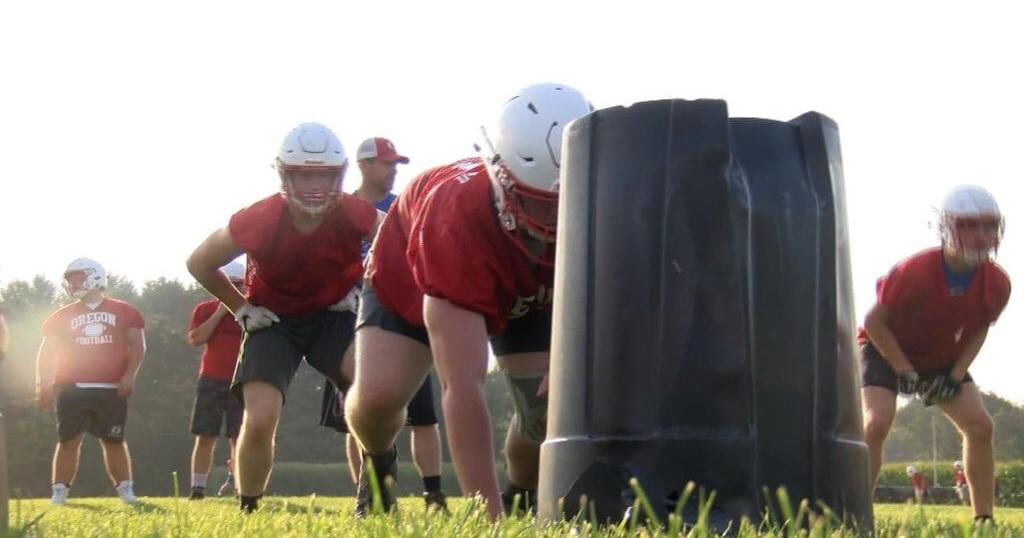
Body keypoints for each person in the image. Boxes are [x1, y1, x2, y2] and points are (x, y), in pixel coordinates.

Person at [344, 83, 592, 519]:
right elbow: (461, 386)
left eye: (565, 203)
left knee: (542, 413)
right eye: (538, 204)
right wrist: (485, 515)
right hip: (415, 274)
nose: (553, 221)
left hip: (526, 281)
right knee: (378, 400)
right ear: (499, 176)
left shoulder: (605, 199)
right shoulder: (453, 216)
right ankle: (378, 459)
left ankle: (521, 496)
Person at [186, 122, 380, 512]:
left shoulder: (356, 213)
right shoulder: (259, 217)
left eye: (322, 175)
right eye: (303, 174)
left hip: (332, 314)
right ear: (284, 174)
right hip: (274, 320)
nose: (313, 185)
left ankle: (375, 491)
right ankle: (250, 507)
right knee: (259, 417)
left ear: (338, 175)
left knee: (374, 397)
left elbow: (397, 246)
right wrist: (240, 307)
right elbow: (199, 263)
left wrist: (364, 286)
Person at [859, 185, 1010, 524]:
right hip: (886, 349)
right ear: (948, 227)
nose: (982, 236)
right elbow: (874, 322)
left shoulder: (997, 283)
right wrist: (904, 370)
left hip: (938, 355)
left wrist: (954, 375)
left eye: (988, 227)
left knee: (980, 426)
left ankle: (983, 519)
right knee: (877, 423)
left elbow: (979, 328)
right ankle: (856, 512)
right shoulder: (913, 271)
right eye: (970, 226)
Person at [317, 137, 447, 511]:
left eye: (395, 165)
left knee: (421, 413)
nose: (393, 171)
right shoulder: (336, 209)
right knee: (354, 411)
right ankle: (370, 491)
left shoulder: (403, 207)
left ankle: (433, 493)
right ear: (364, 165)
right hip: (346, 317)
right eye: (386, 164)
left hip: (398, 315)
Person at [35, 258, 146, 505]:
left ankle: (126, 492)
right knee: (68, 440)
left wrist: (129, 375)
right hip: (71, 387)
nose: (72, 283)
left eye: (77, 277)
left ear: (95, 276)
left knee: (114, 440)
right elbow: (46, 352)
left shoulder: (124, 311)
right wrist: (42, 383)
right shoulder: (61, 316)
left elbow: (138, 345)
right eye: (70, 278)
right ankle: (59, 494)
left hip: (110, 388)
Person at [185, 261, 246, 500]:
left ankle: (242, 488)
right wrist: (220, 312)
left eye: (238, 285)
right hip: (212, 379)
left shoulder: (251, 309)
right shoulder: (205, 309)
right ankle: (197, 489)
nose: (233, 290)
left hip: (242, 379)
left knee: (239, 437)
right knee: (205, 436)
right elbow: (196, 339)